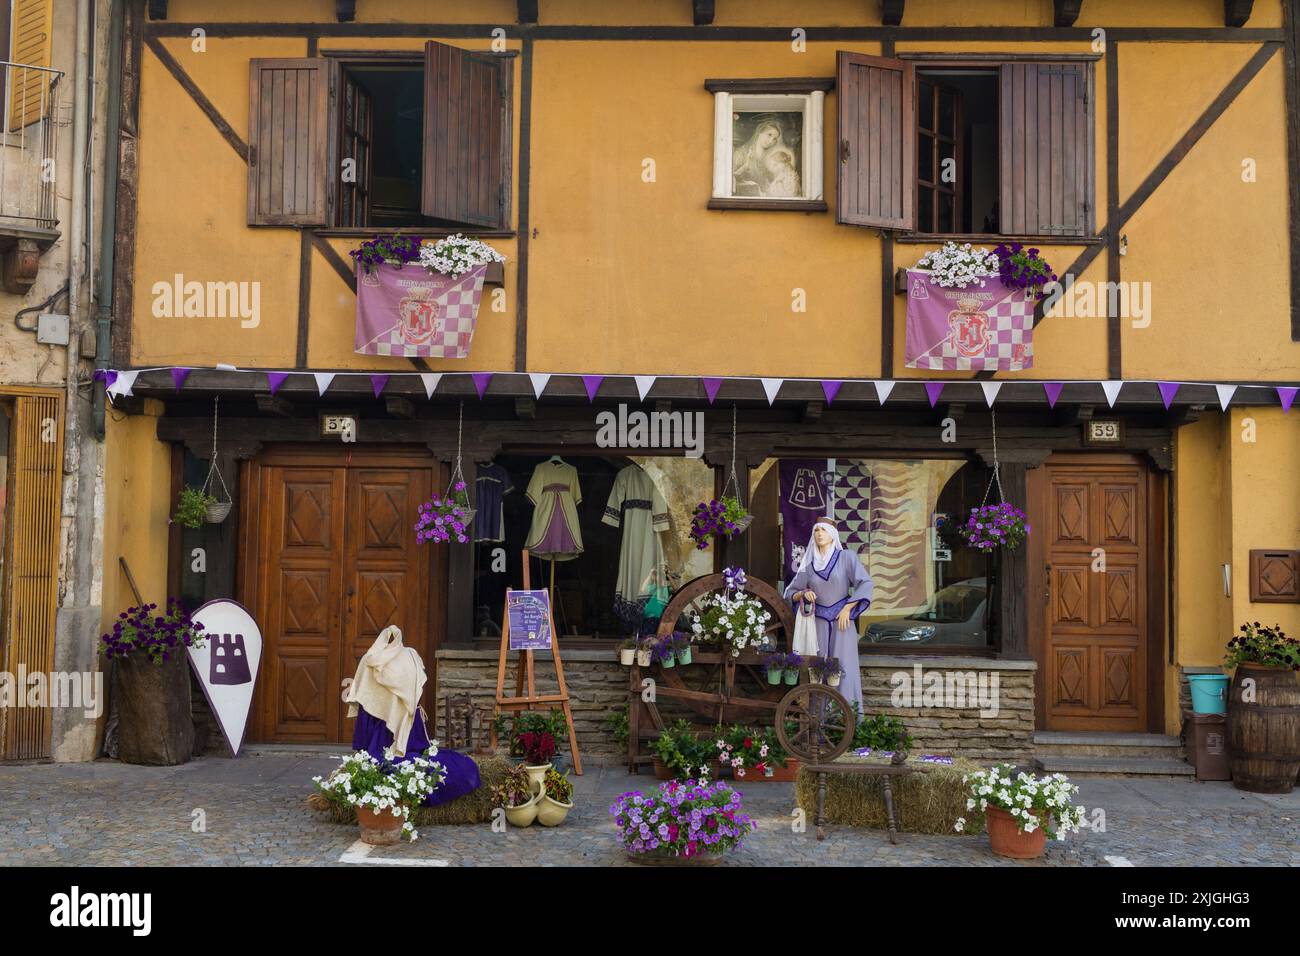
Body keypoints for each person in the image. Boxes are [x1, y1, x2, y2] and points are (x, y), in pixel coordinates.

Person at [344, 626, 480, 806]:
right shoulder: (407, 659)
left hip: (382, 739)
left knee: (382, 768)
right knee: (459, 767)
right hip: (407, 733)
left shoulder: (371, 662)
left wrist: (362, 748)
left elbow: (365, 712)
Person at [782, 518, 874, 711]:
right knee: (817, 670)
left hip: (842, 623)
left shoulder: (846, 557)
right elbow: (790, 593)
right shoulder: (809, 565)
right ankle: (818, 724)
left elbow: (865, 584)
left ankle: (847, 721)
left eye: (823, 530)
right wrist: (803, 594)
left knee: (844, 668)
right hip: (818, 624)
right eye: (816, 530)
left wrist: (848, 608)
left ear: (832, 535)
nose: (819, 534)